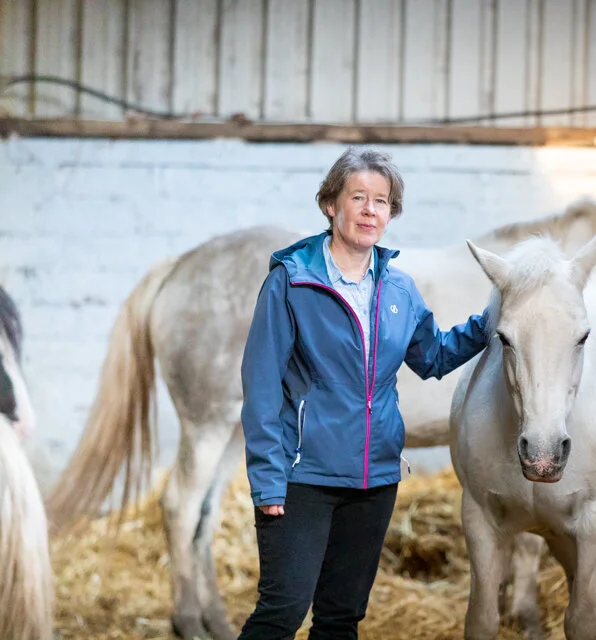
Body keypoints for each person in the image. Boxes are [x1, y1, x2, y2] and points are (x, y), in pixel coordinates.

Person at [237, 147, 491, 639]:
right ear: (332, 204)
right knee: (281, 613)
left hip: (373, 481)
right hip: (301, 478)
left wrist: (490, 324)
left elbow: (433, 357)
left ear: (391, 213)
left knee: (341, 617)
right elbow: (262, 389)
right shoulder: (290, 283)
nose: (371, 210)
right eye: (359, 197)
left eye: (382, 201)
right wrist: (267, 480)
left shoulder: (398, 289)